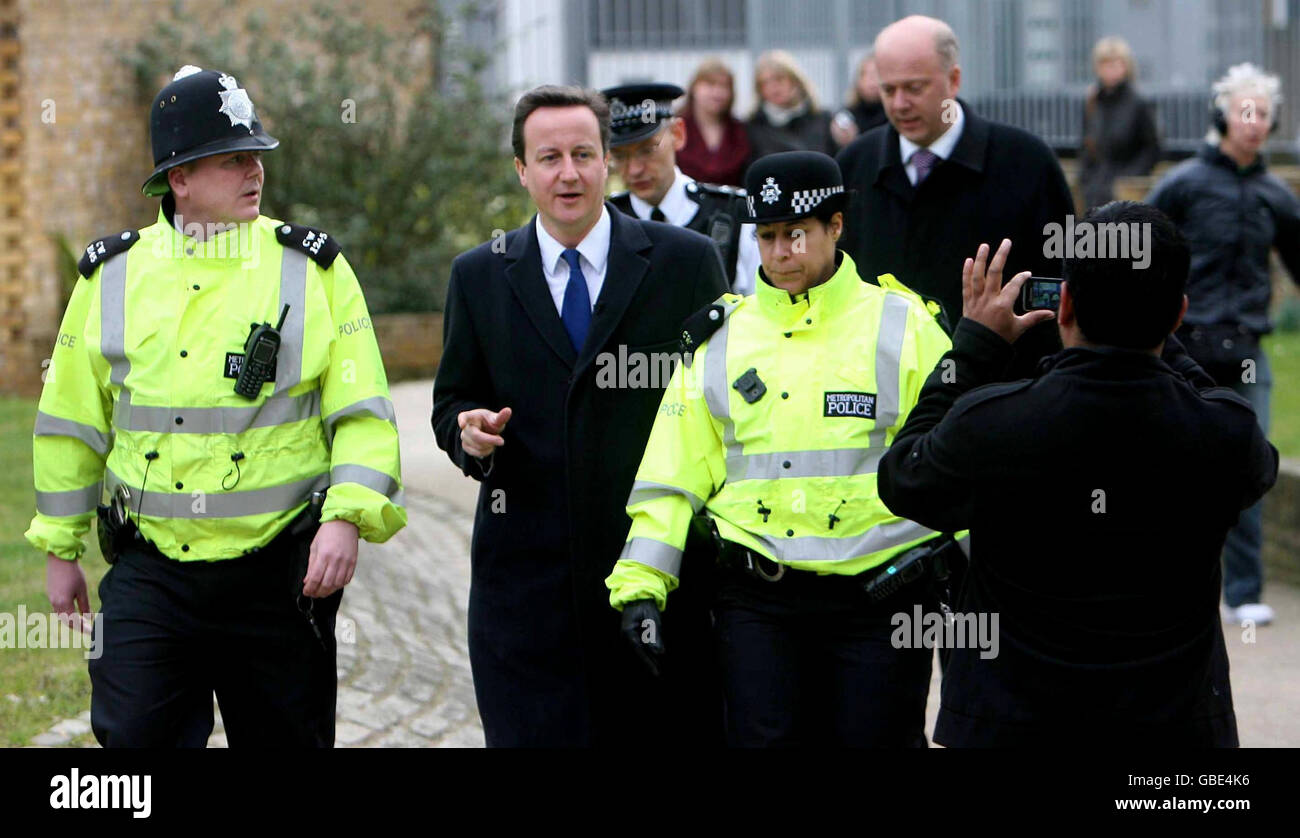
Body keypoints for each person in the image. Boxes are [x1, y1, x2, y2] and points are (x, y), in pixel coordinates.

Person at [27, 66, 406, 747]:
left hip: (281, 578)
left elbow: (361, 410)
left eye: (255, 156)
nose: (254, 172)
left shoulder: (312, 268)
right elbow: (71, 420)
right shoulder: (112, 276)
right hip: (150, 575)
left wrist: (347, 517)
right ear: (180, 179)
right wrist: (60, 548)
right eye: (233, 160)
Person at [877, 203, 1278, 747]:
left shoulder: (995, 422)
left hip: (1014, 725)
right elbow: (1216, 409)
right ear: (1179, 314)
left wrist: (972, 347)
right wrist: (1156, 335)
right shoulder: (1225, 435)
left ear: (1063, 304)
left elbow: (903, 477)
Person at [605, 151, 956, 747]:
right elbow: (672, 476)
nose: (779, 253)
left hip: (883, 600)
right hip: (758, 605)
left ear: (835, 227)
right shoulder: (719, 339)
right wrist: (641, 588)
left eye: (795, 234)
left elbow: (957, 462)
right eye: (766, 236)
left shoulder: (906, 326)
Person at [430, 84, 728, 747]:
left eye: (584, 154)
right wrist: (468, 434)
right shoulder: (478, 275)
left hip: (657, 579)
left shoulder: (684, 263)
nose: (568, 173)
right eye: (549, 157)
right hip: (526, 592)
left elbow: (719, 409)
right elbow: (451, 401)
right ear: (522, 170)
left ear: (608, 162)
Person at [1146, 63, 1300, 628]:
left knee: (1246, 461)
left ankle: (1242, 591)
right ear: (1222, 116)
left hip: (1246, 351)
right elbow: (1142, 245)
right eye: (1244, 111)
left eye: (1264, 114)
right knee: (1167, 466)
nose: (1254, 123)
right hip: (1180, 346)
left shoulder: (1275, 195)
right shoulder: (1183, 183)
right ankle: (1162, 583)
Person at [836, 15, 1073, 335]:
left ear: (954, 79)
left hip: (1000, 378)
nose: (900, 104)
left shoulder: (1027, 163)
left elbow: (1059, 283)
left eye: (914, 88)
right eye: (888, 90)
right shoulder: (853, 166)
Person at [604, 82, 762, 295]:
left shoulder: (734, 214)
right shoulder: (605, 222)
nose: (634, 170)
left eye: (647, 150)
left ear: (677, 134)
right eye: (620, 156)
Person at [1078, 36, 1160, 210]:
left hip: (1124, 191)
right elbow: (1086, 144)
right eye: (1105, 65)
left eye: (1115, 64)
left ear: (1126, 67)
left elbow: (1152, 148)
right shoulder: (1093, 101)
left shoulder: (1138, 102)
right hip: (1094, 190)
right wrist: (1085, 177)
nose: (1110, 71)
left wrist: (1129, 178)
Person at [746, 50, 837, 160]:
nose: (773, 87)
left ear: (795, 81)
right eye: (765, 83)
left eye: (779, 79)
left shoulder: (824, 120)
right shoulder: (752, 128)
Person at [677, 58, 752, 188]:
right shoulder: (675, 127)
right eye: (710, 84)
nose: (717, 93)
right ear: (694, 88)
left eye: (724, 86)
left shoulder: (740, 131)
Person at [830, 50, 888, 149]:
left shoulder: (893, 114)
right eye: (866, 75)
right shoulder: (848, 115)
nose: (871, 80)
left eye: (876, 75)